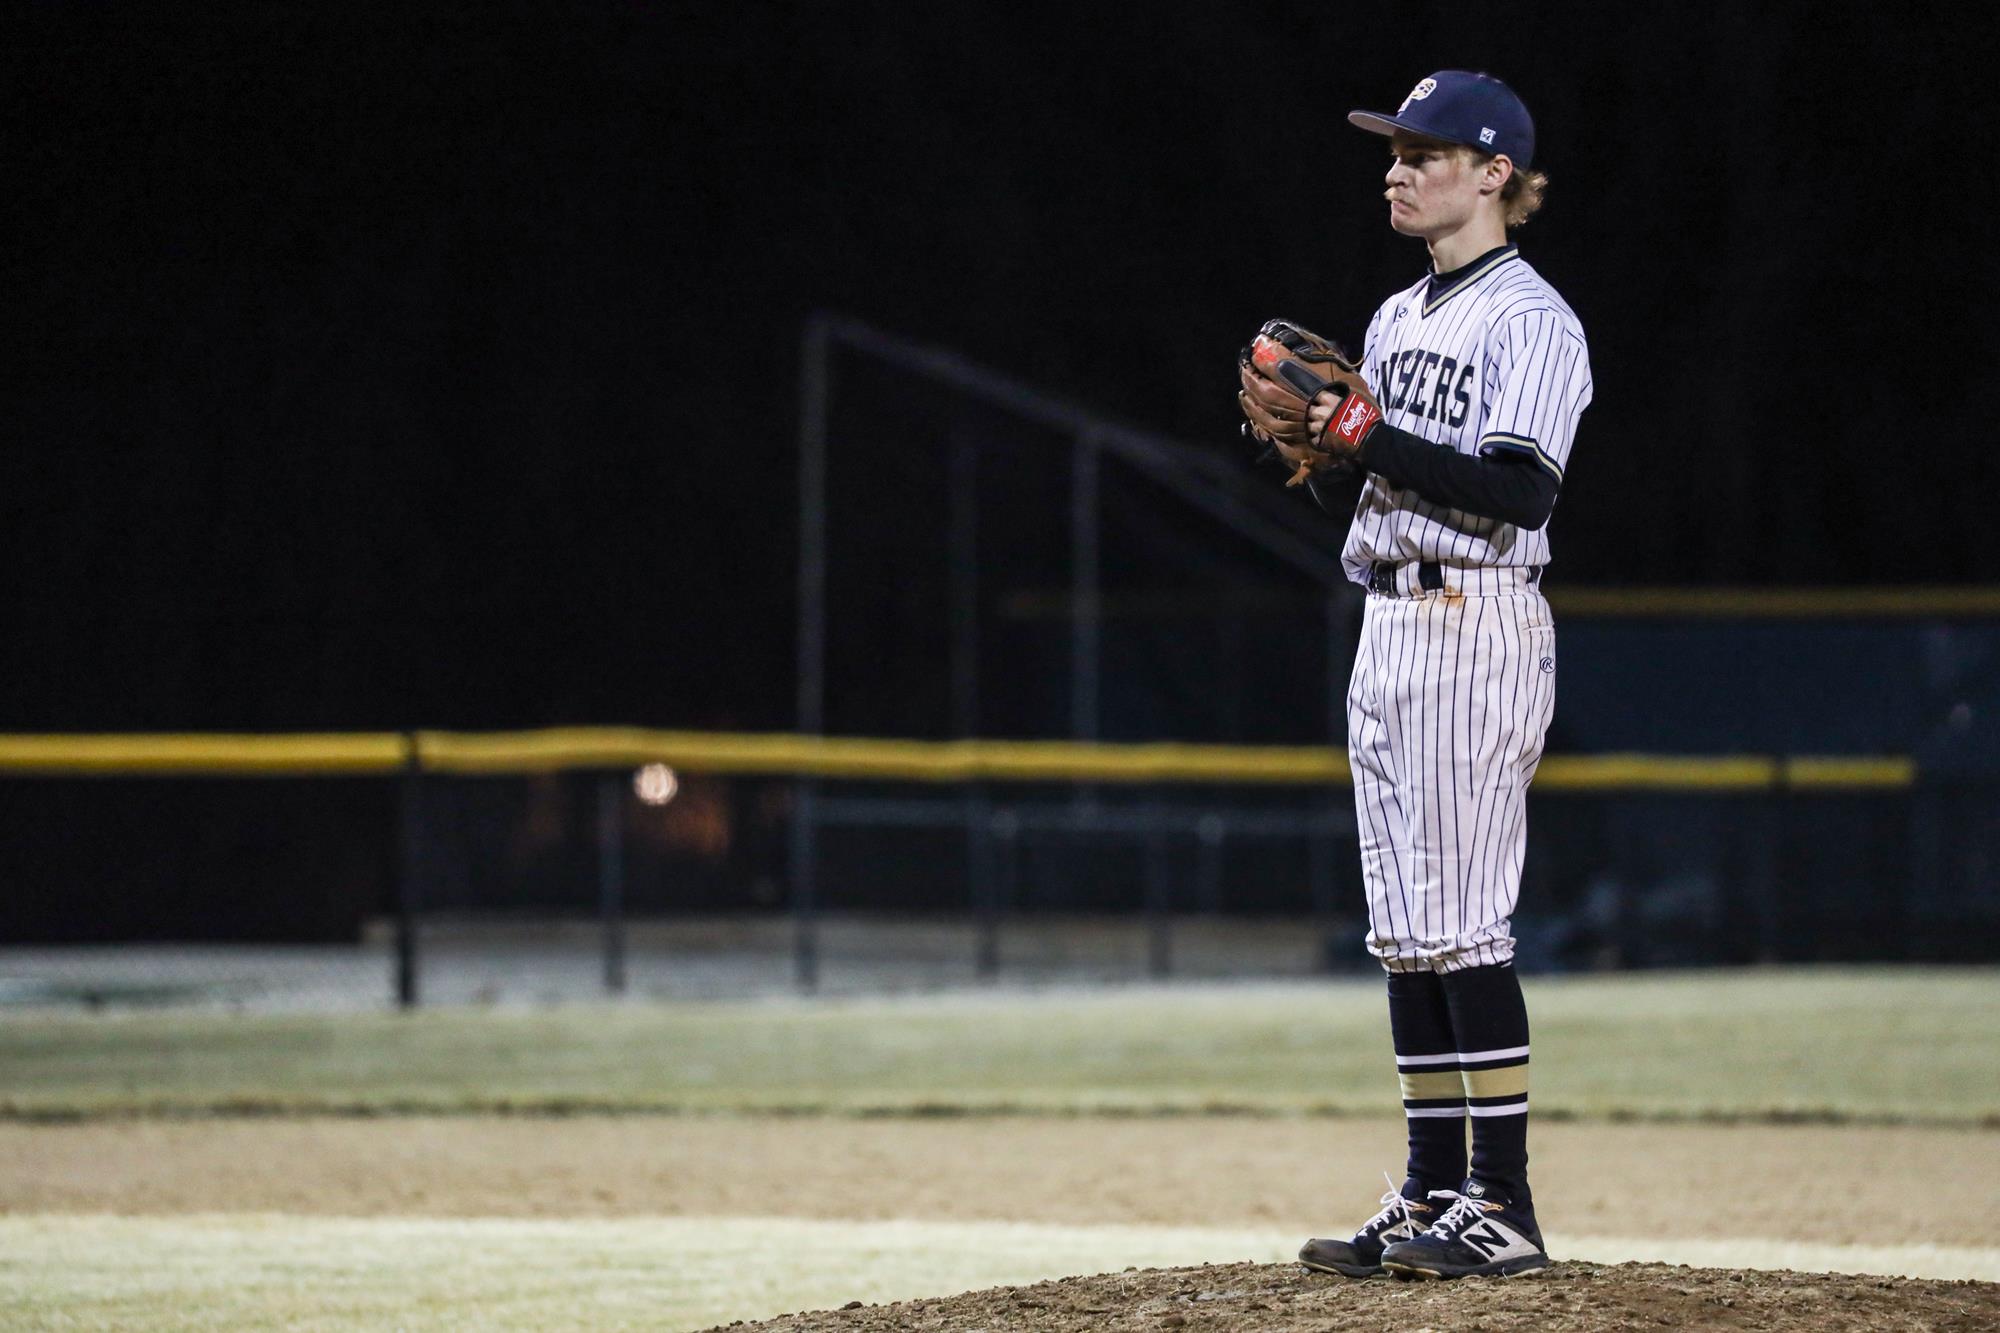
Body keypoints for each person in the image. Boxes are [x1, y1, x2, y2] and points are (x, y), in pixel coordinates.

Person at [1238, 70, 1592, 1280]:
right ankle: (1433, 1185)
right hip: (1387, 622)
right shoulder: (1394, 319)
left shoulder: (1530, 320)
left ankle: (1504, 1202)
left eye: (1423, 153)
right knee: (1403, 933)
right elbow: (1379, 470)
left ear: (1493, 174)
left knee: (1463, 924)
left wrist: (1364, 434)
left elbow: (1519, 490)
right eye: (1391, 152)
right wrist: (1327, 444)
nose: (1395, 171)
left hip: (1472, 621)